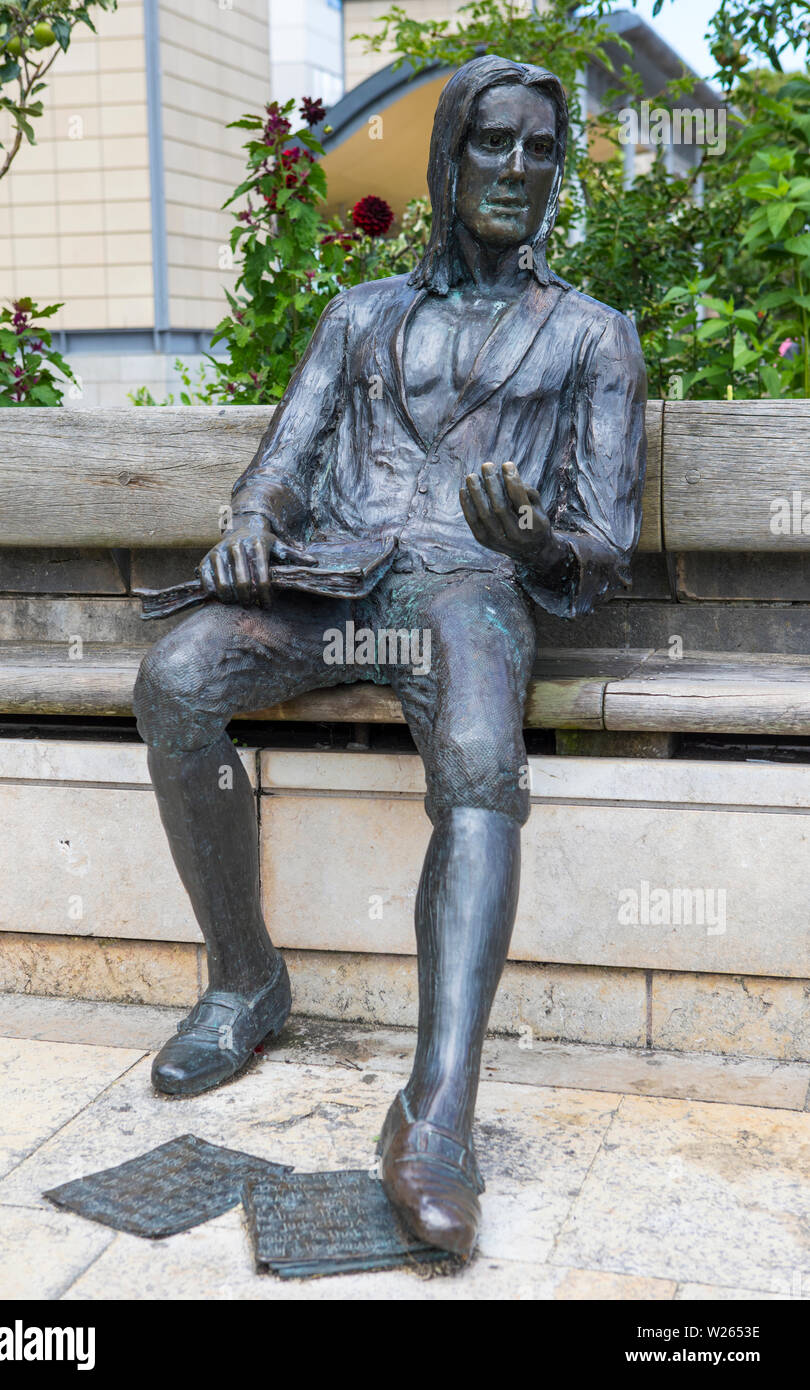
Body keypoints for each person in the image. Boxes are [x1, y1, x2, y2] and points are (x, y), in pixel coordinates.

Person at [132, 54, 647, 1260]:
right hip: (333, 582)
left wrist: (536, 540)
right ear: (447, 158)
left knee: (478, 763)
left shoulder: (589, 339)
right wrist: (253, 525)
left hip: (469, 591)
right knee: (174, 680)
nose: (518, 168)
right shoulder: (359, 317)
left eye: (539, 149)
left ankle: (433, 1116)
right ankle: (244, 982)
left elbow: (601, 544)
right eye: (493, 144)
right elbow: (277, 467)